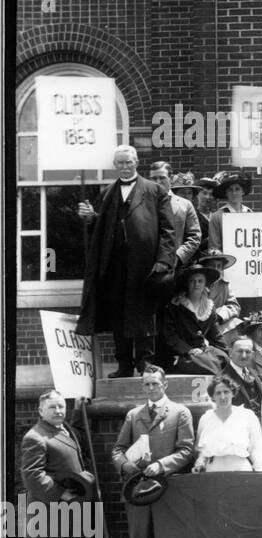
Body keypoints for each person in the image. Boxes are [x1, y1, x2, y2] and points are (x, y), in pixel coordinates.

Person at [75, 145, 177, 376]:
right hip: (114, 266)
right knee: (118, 315)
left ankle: (144, 363)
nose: (124, 166)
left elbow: (168, 230)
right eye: (120, 162)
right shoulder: (107, 193)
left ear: (137, 162)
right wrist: (91, 219)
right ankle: (124, 364)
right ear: (115, 165)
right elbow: (101, 228)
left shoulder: (154, 191)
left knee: (144, 313)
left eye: (128, 162)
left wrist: (163, 260)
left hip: (145, 265)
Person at [111, 367, 197, 538]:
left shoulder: (180, 413)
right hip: (137, 489)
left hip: (165, 487)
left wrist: (162, 464)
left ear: (165, 384)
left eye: (155, 384)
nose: (151, 388)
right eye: (147, 384)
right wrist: (126, 465)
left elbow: (186, 449)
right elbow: (118, 449)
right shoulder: (133, 415)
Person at [21, 391, 101, 538]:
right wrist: (60, 493)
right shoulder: (35, 437)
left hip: (75, 503)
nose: (58, 411)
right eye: (52, 407)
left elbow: (74, 440)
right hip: (48, 506)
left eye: (61, 407)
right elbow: (33, 476)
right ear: (40, 411)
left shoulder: (66, 429)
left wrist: (77, 410)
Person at [193, 374, 262, 538]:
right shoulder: (206, 418)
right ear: (212, 396)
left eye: (226, 392)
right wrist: (199, 462)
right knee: (217, 535)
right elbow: (202, 451)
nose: (223, 396)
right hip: (215, 476)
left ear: (233, 393)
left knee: (237, 534)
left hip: (240, 473)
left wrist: (260, 475)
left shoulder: (246, 416)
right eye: (218, 393)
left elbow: (257, 448)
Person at [160, 262, 227, 374]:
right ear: (187, 283)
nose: (196, 284)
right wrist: (189, 350)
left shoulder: (209, 307)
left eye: (200, 281)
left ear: (205, 283)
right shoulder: (175, 306)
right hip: (182, 355)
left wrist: (228, 353)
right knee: (205, 364)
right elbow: (171, 336)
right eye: (192, 281)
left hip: (203, 352)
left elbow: (215, 336)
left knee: (223, 358)